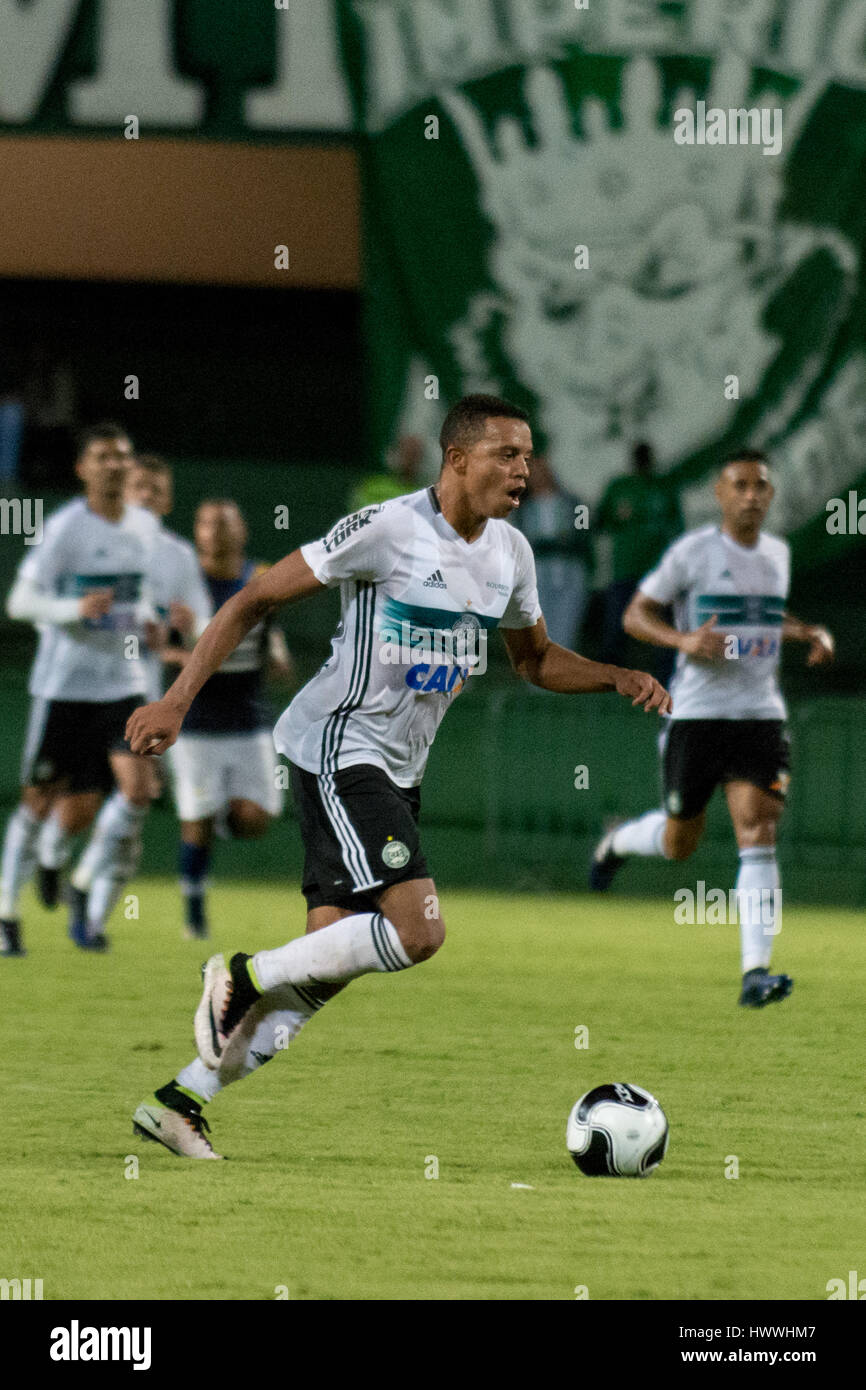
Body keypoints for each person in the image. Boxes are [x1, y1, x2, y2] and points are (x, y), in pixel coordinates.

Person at [124, 394, 670, 1159]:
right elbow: (253, 599)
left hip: (398, 771)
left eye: (526, 455)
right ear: (457, 459)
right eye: (506, 455)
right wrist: (177, 700)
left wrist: (614, 674)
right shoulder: (389, 529)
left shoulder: (511, 553)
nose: (523, 470)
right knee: (420, 931)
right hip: (341, 748)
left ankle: (181, 1101)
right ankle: (241, 973)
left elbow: (534, 658)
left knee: (322, 970)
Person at [589, 450, 834, 1008]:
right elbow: (634, 615)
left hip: (759, 717)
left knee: (758, 829)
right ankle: (618, 840)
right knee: (681, 843)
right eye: (740, 485)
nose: (751, 495)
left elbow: (764, 616)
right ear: (720, 495)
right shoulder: (691, 552)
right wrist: (684, 642)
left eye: (761, 486)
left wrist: (807, 632)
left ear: (770, 496)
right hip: (696, 717)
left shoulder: (777, 554)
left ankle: (755, 972)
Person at [0, 424, 157, 956]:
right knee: (39, 802)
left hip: (123, 687)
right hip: (64, 688)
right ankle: (6, 913)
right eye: (102, 456)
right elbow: (19, 603)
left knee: (136, 790)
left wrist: (156, 622)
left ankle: (71, 873)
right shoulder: (65, 528)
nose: (114, 464)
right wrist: (73, 609)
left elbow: (143, 599)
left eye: (122, 455)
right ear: (82, 469)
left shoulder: (145, 527)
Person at [49, 455, 212, 941]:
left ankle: (89, 914)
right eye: (138, 486)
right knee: (79, 808)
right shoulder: (91, 543)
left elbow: (206, 627)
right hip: (83, 694)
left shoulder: (179, 558)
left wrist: (190, 628)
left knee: (135, 804)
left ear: (166, 500)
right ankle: (55, 861)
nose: (145, 495)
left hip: (140, 698)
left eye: (155, 489)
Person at [165, 500, 294, 939]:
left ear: (242, 530)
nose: (216, 532)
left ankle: (223, 815)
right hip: (196, 721)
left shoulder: (261, 578)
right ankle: (194, 913)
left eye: (225, 524)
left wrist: (278, 654)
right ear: (196, 532)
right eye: (206, 523)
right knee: (195, 821)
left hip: (249, 717)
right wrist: (190, 658)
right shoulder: (183, 583)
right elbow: (155, 644)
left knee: (256, 819)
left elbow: (270, 634)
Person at [597, 442, 683, 671]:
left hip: (657, 573)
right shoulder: (619, 487)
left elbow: (678, 530)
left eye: (646, 457)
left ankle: (666, 682)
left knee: (661, 629)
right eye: (639, 457)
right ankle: (608, 680)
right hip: (624, 570)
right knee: (616, 627)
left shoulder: (664, 488)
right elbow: (597, 521)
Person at [513, 452, 592, 648]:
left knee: (564, 636)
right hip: (538, 579)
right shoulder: (522, 509)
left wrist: (557, 543)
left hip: (569, 577)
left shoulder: (575, 503)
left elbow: (584, 534)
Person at [347, 434, 424, 512]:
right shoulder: (372, 485)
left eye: (414, 455)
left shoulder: (420, 497)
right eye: (406, 453)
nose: (409, 460)